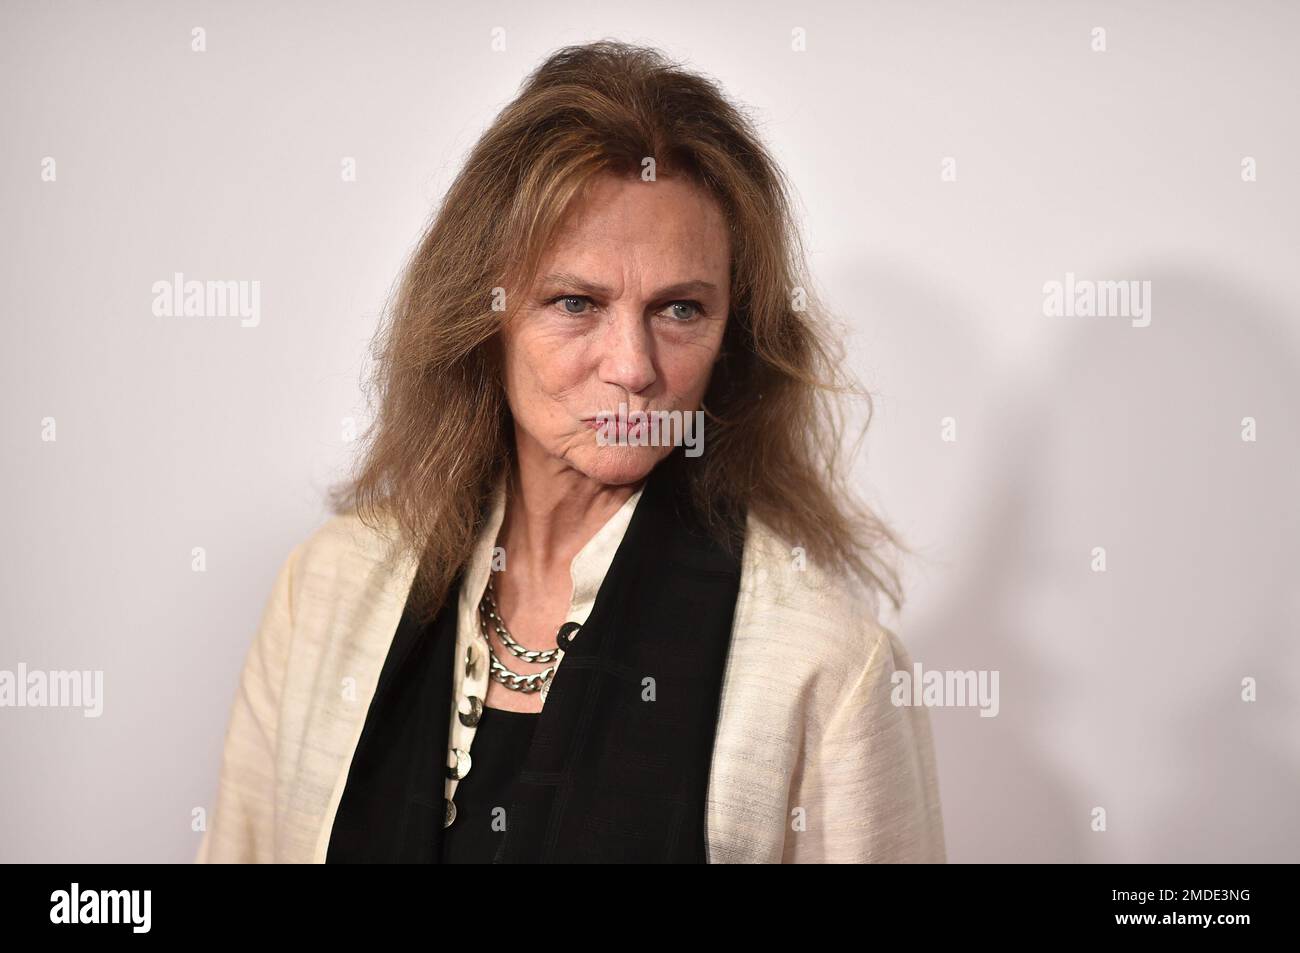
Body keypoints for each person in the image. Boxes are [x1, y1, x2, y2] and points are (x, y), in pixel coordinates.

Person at [197, 39, 945, 864]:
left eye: (682, 309)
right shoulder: (325, 594)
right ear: (484, 317)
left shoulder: (824, 669)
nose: (632, 367)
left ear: (735, 335)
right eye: (576, 301)